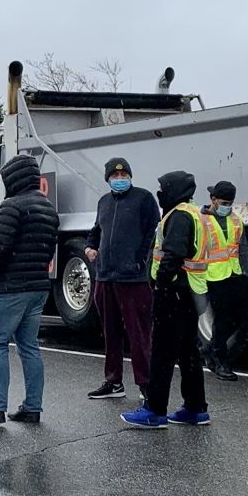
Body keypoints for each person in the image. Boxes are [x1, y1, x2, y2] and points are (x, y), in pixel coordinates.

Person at [0, 154, 59, 427]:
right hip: (37, 287)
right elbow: (48, 249)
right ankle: (32, 406)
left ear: (14, 179)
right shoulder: (47, 208)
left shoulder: (11, 207)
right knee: (29, 347)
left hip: (10, 287)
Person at [122, 170, 209, 429]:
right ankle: (195, 408)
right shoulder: (193, 212)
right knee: (188, 353)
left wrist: (160, 285)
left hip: (174, 292)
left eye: (163, 188)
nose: (160, 192)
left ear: (174, 190)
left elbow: (173, 254)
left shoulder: (180, 216)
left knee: (161, 353)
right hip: (191, 291)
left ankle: (155, 410)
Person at [83, 156, 160, 399]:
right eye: (115, 176)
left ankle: (146, 383)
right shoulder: (104, 202)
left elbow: (151, 232)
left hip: (133, 278)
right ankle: (113, 381)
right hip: (105, 276)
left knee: (139, 333)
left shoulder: (143, 198)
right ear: (108, 179)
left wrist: (139, 260)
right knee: (110, 331)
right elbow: (96, 230)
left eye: (123, 175)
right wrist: (90, 247)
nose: (119, 179)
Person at [198, 180, 245, 382]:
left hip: (231, 274)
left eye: (230, 203)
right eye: (223, 202)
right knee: (223, 317)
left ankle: (209, 349)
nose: (227, 206)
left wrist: (245, 274)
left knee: (238, 317)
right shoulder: (201, 220)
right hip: (208, 275)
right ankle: (220, 360)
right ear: (213, 200)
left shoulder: (236, 220)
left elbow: (242, 248)